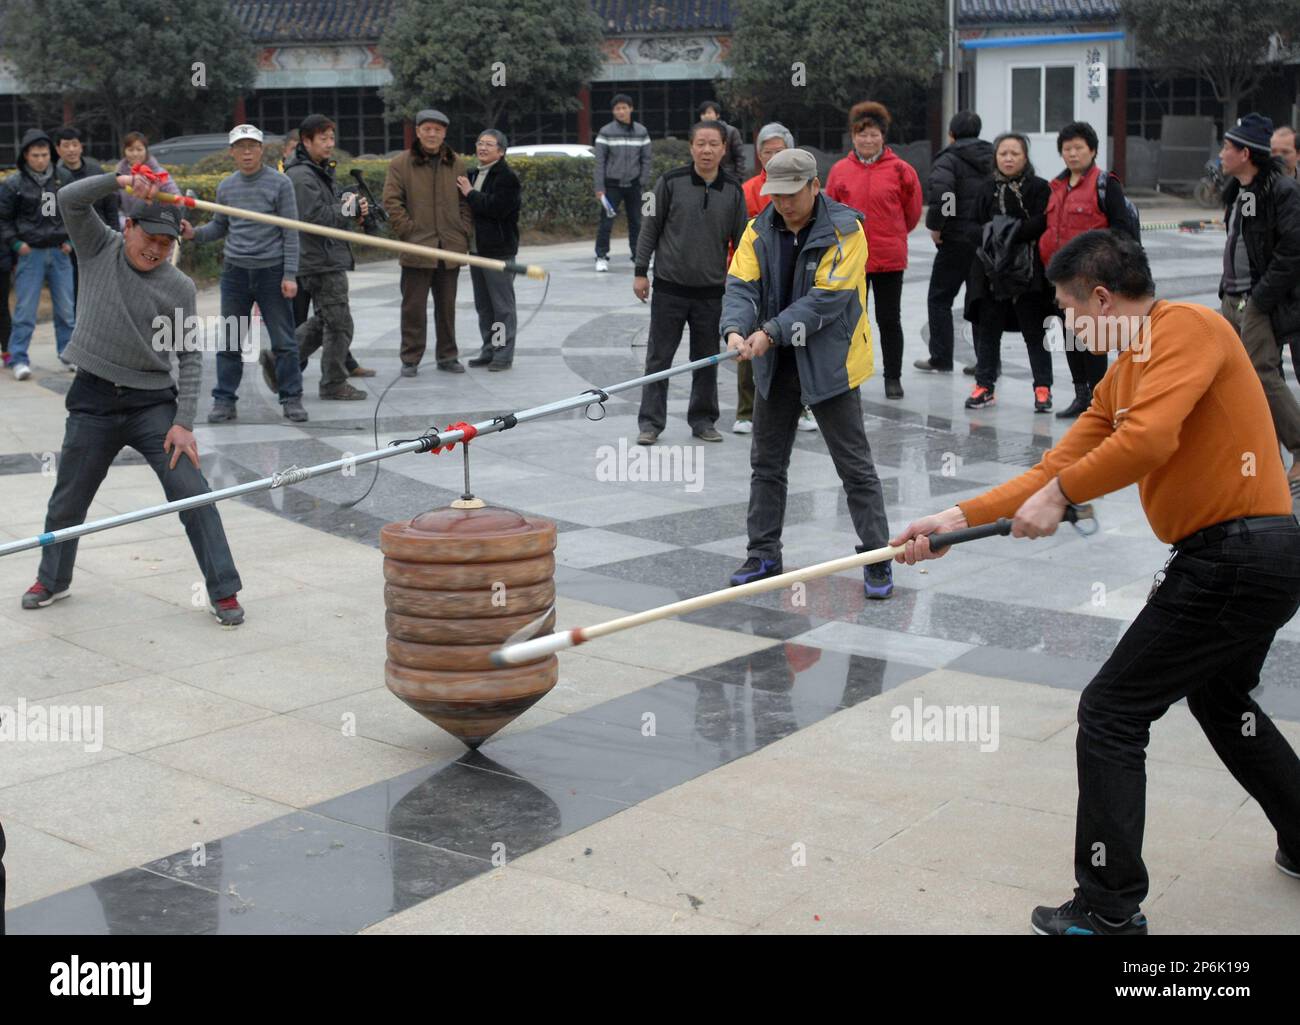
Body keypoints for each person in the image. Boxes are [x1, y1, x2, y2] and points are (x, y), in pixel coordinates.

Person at [892, 229, 1300, 935]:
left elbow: (1147, 441)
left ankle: (1108, 905)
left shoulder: (1189, 328)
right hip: (1245, 560)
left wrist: (1062, 497)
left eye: (1068, 310)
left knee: (1111, 710)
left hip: (1237, 559)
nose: (1068, 323)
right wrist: (952, 519)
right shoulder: (1127, 368)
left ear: (1102, 298)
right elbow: (1058, 464)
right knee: (1218, 694)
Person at [20, 169, 245, 625]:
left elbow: (190, 356)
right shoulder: (98, 247)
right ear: (128, 227)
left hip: (152, 405)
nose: (156, 249)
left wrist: (183, 422)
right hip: (94, 398)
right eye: (149, 237)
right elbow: (69, 198)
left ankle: (223, 591)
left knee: (192, 494)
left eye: (166, 243)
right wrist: (118, 181)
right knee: (69, 498)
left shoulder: (177, 287)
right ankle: (54, 579)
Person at [722, 148, 894, 599]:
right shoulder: (758, 229)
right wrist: (736, 329)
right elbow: (741, 284)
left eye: (792, 194)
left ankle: (876, 556)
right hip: (776, 365)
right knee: (766, 465)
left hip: (829, 363)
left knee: (854, 466)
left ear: (815, 186)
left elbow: (827, 299)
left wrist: (772, 330)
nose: (783, 203)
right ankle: (763, 554)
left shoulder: (846, 229)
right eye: (775, 195)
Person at [182, 123, 306, 422]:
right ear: (232, 152)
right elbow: (219, 227)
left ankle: (291, 398)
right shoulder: (227, 187)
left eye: (252, 146)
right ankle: (224, 400)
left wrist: (290, 274)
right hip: (236, 273)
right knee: (230, 341)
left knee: (284, 342)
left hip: (272, 272)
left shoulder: (280, 184)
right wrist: (193, 234)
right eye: (241, 147)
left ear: (261, 150)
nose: (247, 152)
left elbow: (291, 232)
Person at [633, 121, 748, 445]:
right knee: (659, 358)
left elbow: (742, 244)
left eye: (714, 144)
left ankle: (703, 420)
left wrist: (744, 286)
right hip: (670, 286)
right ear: (691, 147)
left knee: (706, 359)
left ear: (724, 148)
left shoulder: (734, 191)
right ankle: (651, 423)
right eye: (701, 143)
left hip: (711, 292)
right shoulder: (670, 182)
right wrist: (641, 271)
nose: (707, 150)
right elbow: (649, 228)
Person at [1218, 113, 1300, 495]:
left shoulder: (1281, 190)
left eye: (1227, 148)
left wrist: (1260, 298)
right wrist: (1226, 290)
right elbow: (1238, 242)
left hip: (1256, 299)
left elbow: (1291, 250)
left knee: (1264, 373)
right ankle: (1263, 452)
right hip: (1233, 296)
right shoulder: (1240, 191)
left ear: (1245, 153)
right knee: (1241, 377)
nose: (1221, 154)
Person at [1038, 121, 1138, 418]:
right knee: (1071, 338)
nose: (1072, 153)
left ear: (1092, 150)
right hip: (1061, 280)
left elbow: (1121, 230)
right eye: (1067, 148)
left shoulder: (1107, 184)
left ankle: (1099, 399)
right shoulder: (1055, 187)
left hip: (1092, 280)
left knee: (1092, 341)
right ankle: (1081, 395)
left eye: (1079, 147)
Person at [826, 101, 923, 401]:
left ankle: (892, 376)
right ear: (852, 137)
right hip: (852, 259)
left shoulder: (901, 170)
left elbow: (912, 211)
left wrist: (891, 235)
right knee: (852, 320)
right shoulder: (840, 171)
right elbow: (830, 210)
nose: (868, 140)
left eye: (874, 134)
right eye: (861, 134)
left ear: (883, 136)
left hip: (889, 258)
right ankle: (849, 374)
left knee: (889, 319)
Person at [962, 132, 1055, 412]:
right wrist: (994, 234)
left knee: (1034, 330)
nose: (1009, 158)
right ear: (995, 157)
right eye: (1003, 153)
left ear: (1025, 157)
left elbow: (1043, 221)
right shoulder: (985, 188)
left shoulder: (1040, 188)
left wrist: (1007, 231)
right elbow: (970, 227)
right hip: (991, 272)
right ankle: (985, 385)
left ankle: (1043, 388)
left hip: (1028, 272)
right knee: (987, 330)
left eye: (1015, 153)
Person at [737, 122, 818, 434]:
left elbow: (826, 298)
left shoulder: (839, 225)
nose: (784, 204)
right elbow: (739, 240)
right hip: (758, 278)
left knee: (799, 343)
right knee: (747, 341)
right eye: (767, 153)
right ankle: (747, 411)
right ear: (759, 156)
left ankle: (803, 407)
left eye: (779, 152)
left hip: (798, 282)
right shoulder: (748, 192)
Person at [283, 113, 368, 401]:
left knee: (326, 321)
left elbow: (329, 209)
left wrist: (349, 205)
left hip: (327, 255)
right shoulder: (300, 175)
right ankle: (332, 383)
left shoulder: (317, 170)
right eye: (323, 139)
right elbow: (315, 218)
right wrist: (348, 209)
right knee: (339, 323)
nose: (330, 144)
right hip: (317, 259)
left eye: (332, 138)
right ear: (306, 141)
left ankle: (279, 360)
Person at [382, 108, 472, 376]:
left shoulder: (455, 163)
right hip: (416, 247)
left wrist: (463, 230)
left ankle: (448, 355)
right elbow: (392, 202)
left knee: (447, 308)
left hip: (449, 246)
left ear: (444, 133)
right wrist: (408, 232)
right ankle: (410, 358)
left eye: (438, 129)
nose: (432, 134)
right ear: (418, 131)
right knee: (413, 308)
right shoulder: (400, 164)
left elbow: (465, 201)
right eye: (427, 129)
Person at [917, 112, 993, 375]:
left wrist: (937, 226)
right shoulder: (994, 157)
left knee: (939, 298)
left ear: (951, 134)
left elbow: (943, 194)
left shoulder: (948, 158)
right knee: (979, 299)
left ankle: (941, 357)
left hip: (957, 239)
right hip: (986, 240)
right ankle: (987, 360)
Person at [0, 128, 75, 378]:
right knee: (25, 310)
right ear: (25, 156)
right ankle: (19, 358)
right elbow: (3, 220)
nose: (41, 159)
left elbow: (77, 213)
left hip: (59, 250)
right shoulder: (14, 184)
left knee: (66, 308)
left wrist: (71, 241)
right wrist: (15, 244)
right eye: (35, 155)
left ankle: (68, 353)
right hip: (30, 253)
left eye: (44, 154)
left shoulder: (62, 179)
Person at [458, 128, 522, 371]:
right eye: (480, 142)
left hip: (499, 252)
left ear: (501, 151)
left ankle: (503, 354)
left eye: (489, 144)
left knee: (502, 307)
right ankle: (489, 349)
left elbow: (498, 208)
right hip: (476, 251)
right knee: (484, 306)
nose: (482, 148)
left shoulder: (507, 178)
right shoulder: (472, 173)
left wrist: (470, 194)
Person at [593, 93, 652, 273]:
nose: (621, 111)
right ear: (613, 111)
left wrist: (642, 181)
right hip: (611, 186)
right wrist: (599, 187)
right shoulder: (606, 132)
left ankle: (638, 257)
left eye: (624, 108)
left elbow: (647, 159)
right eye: (617, 108)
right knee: (606, 223)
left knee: (637, 223)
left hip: (634, 185)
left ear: (631, 109)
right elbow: (599, 162)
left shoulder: (641, 132)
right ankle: (601, 257)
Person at [114, 132, 178, 228]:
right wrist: (125, 222)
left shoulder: (159, 173)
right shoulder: (119, 174)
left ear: (146, 150)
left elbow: (176, 199)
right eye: (130, 150)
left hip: (156, 228)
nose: (135, 154)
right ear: (124, 151)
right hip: (127, 227)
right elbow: (112, 205)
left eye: (139, 149)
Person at [697, 100, 746, 181]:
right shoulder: (697, 133)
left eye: (709, 113)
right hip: (704, 176)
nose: (706, 116)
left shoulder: (731, 131)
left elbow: (739, 156)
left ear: (717, 115)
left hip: (727, 175)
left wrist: (739, 178)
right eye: (703, 114)